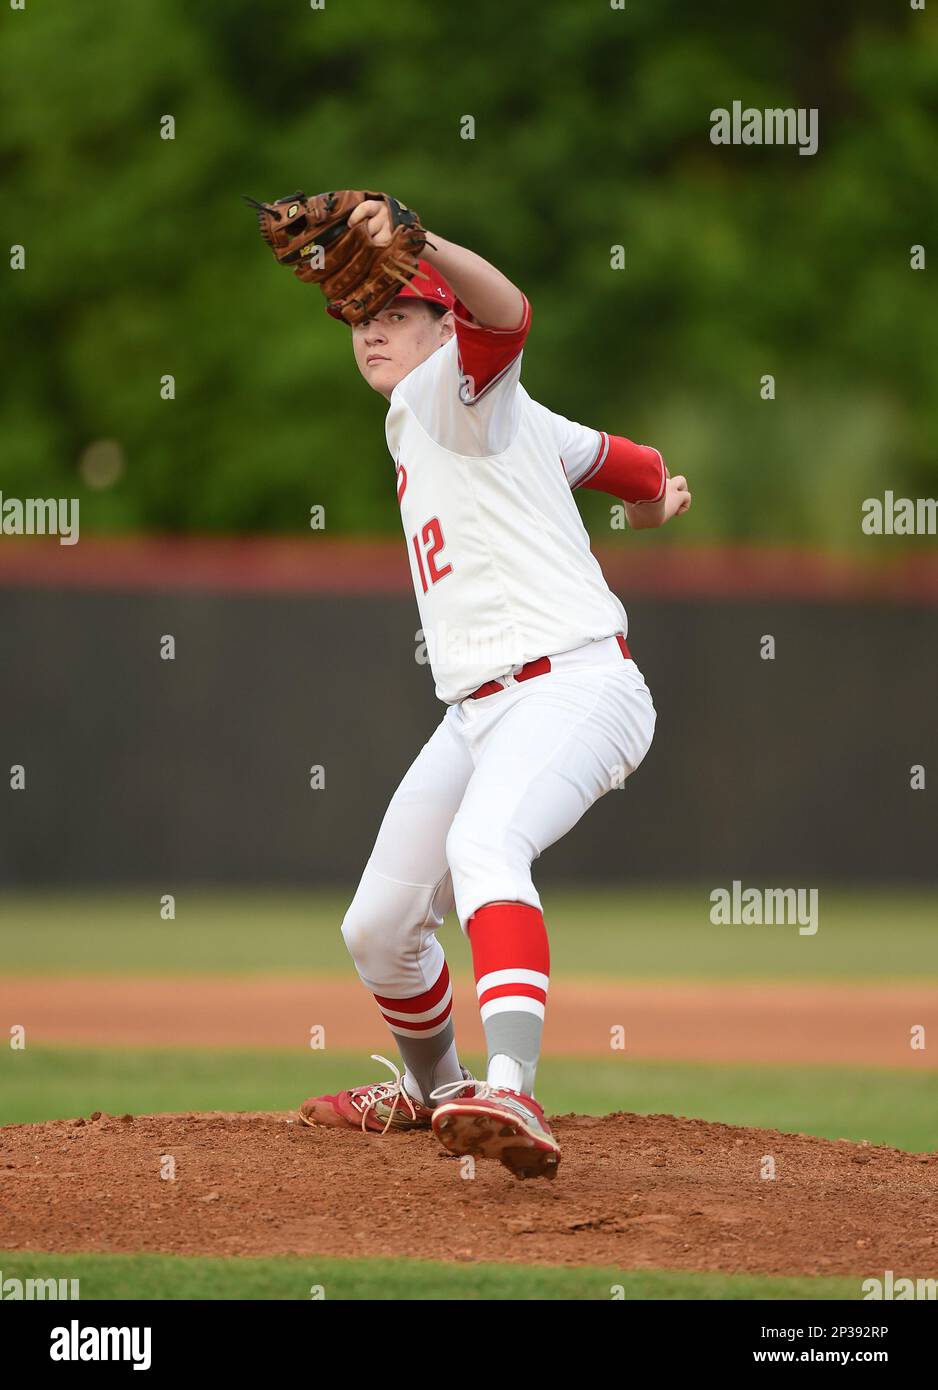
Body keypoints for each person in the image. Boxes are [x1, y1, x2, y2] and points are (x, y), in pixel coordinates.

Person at [300, 199, 692, 1179]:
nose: (372, 328)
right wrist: (652, 498)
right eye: (360, 316)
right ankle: (433, 1093)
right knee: (378, 928)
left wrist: (421, 243)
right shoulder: (461, 417)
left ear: (445, 331)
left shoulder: (459, 389)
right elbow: (613, 457)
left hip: (576, 686)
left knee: (484, 843)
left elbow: (509, 311)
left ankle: (510, 1086)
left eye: (396, 308)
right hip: (477, 711)